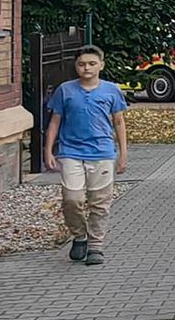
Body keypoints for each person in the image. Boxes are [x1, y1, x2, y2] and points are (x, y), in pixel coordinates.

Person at [43, 45, 130, 267]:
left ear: (101, 65)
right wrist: (48, 150)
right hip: (71, 151)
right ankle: (79, 236)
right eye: (82, 64)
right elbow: (55, 121)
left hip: (101, 151)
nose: (86, 68)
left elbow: (118, 122)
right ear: (76, 66)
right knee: (72, 199)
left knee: (99, 202)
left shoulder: (111, 90)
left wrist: (123, 154)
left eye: (92, 63)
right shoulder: (65, 90)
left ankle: (95, 246)